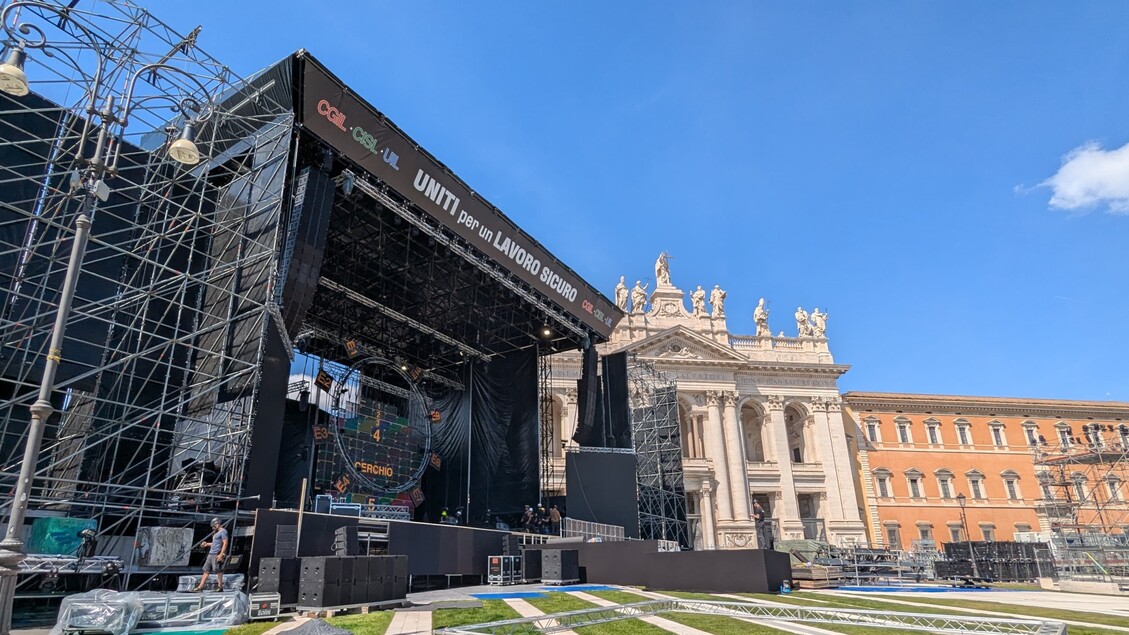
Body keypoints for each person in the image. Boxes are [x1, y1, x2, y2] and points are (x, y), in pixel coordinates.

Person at [194, 518, 228, 592]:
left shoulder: (223, 532)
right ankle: (200, 586)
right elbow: (214, 544)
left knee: (218, 570)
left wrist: (221, 554)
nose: (212, 528)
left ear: (217, 524)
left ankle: (220, 586)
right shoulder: (216, 533)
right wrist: (206, 544)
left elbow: (225, 543)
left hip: (217, 553)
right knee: (206, 570)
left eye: (213, 526)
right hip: (211, 553)